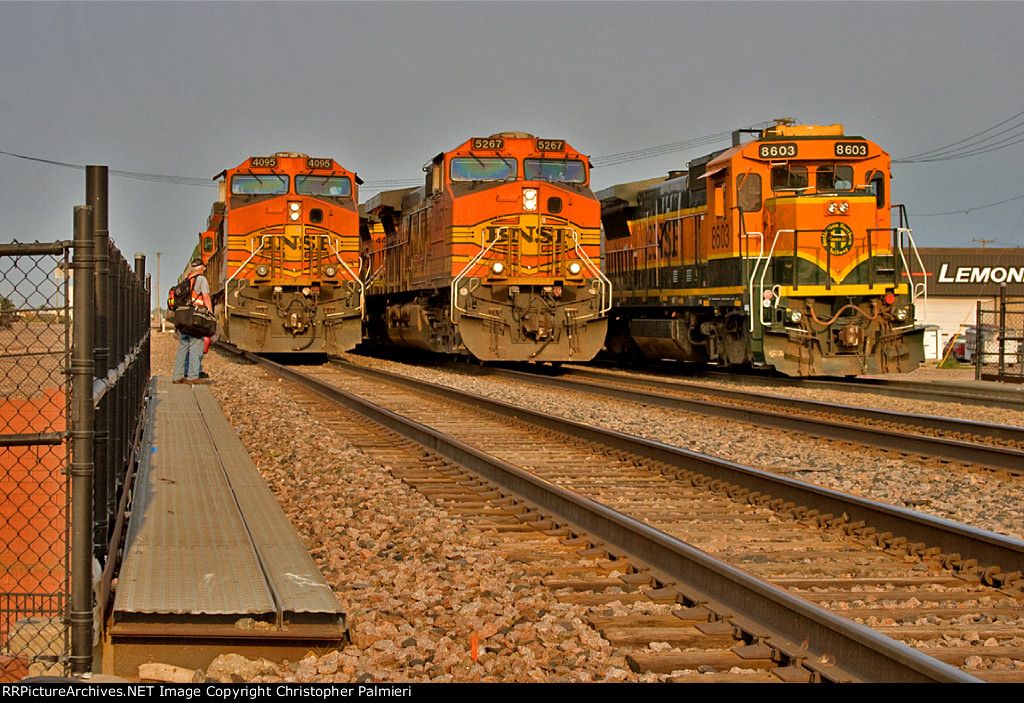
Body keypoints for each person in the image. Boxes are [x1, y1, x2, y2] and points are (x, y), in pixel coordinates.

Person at [172, 259, 213, 384]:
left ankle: (177, 376)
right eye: (203, 268)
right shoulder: (201, 279)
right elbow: (206, 297)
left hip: (184, 317)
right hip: (195, 317)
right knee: (196, 346)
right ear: (201, 268)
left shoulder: (187, 280)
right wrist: (210, 314)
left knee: (183, 346)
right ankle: (193, 376)